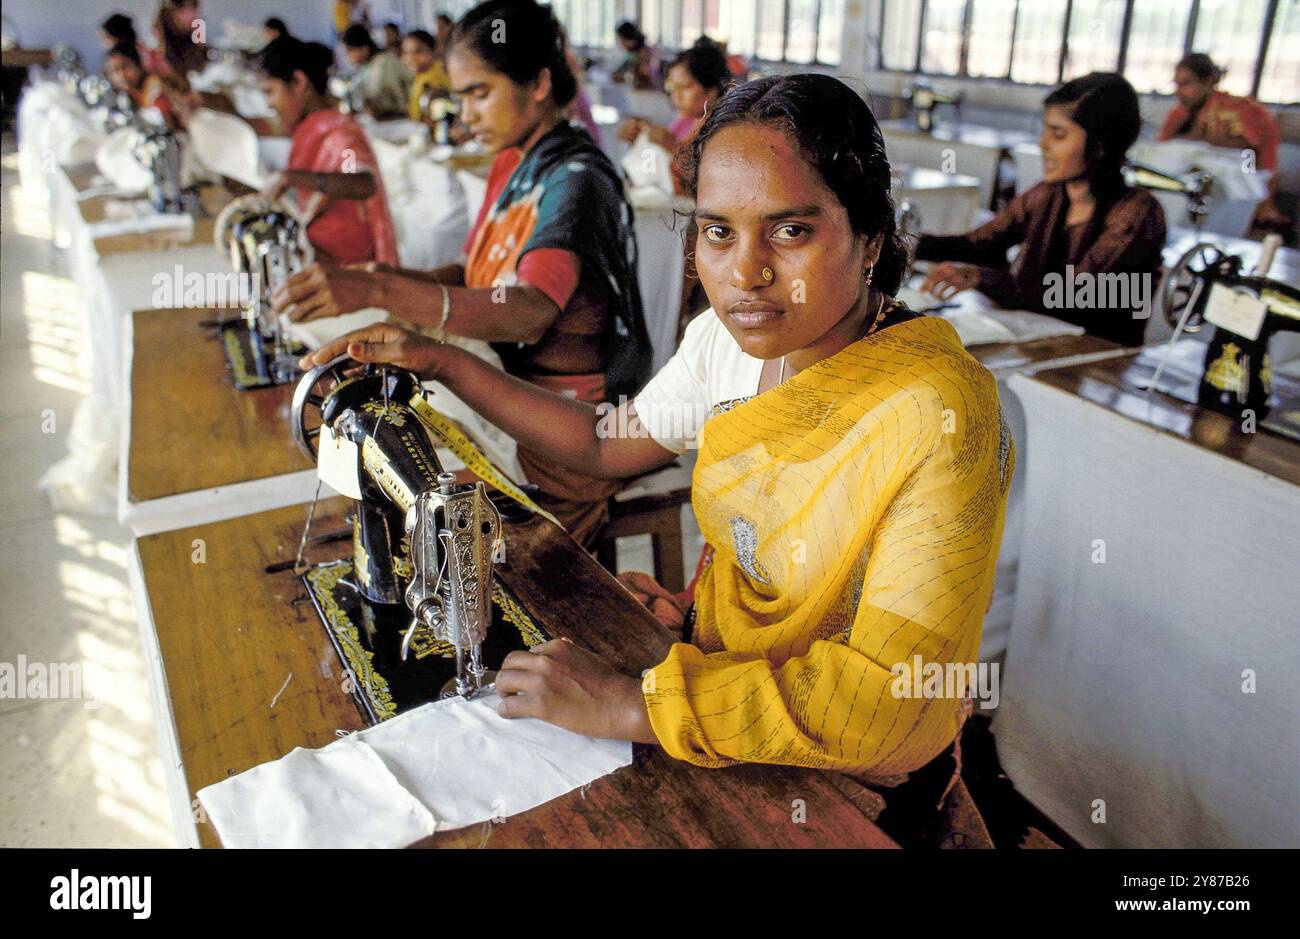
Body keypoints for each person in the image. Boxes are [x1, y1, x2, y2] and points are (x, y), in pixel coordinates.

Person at [297, 74, 1015, 787]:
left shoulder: (939, 415)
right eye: (718, 232)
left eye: (791, 230)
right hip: (720, 693)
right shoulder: (726, 344)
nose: (747, 272)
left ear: (870, 240)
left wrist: (628, 702)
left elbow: (893, 700)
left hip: (852, 781)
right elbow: (605, 443)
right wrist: (444, 361)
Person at [270, 0, 651, 547]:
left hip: (560, 439)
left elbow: (528, 309)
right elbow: (475, 274)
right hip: (503, 404)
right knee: (367, 465)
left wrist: (382, 290)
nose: (466, 114)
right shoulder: (513, 163)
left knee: (407, 518)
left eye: (480, 93)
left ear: (539, 83)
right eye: (461, 97)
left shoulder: (576, 179)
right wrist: (390, 278)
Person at [916, 73, 1165, 348]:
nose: (1043, 144)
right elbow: (979, 243)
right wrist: (903, 242)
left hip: (1100, 357)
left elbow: (1074, 295)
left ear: (1100, 144)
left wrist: (980, 277)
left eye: (1058, 134)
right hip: (1040, 344)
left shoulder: (1136, 213)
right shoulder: (1047, 195)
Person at [257, 36, 398, 266]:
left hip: (352, 269)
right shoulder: (310, 129)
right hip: (324, 258)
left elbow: (361, 181)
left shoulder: (340, 134)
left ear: (298, 82)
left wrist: (289, 178)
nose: (268, 104)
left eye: (269, 92)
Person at [1158, 52, 1287, 229]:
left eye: (1186, 84)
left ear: (1209, 81)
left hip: (1237, 185)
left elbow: (1253, 160)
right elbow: (1163, 148)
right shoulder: (1179, 114)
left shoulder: (1243, 111)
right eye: (1177, 84)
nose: (1179, 91)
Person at [619, 41, 730, 154]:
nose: (676, 95)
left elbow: (706, 169)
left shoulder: (722, 133)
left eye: (684, 87)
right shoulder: (684, 123)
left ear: (712, 91)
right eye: (672, 87)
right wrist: (637, 141)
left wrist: (672, 147)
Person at [341, 23, 411, 119]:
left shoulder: (384, 62)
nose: (348, 56)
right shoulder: (365, 68)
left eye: (350, 50)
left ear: (364, 49)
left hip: (398, 118)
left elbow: (400, 99)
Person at [104, 41, 175, 126]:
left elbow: (170, 123)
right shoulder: (132, 94)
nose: (121, 76)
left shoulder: (156, 89)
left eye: (125, 66)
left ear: (138, 64)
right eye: (114, 71)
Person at [400, 28, 450, 122]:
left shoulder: (436, 78)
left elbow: (436, 121)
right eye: (406, 53)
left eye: (417, 52)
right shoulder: (421, 76)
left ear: (433, 50)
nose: (410, 58)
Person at [612, 20, 658, 90]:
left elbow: (644, 81)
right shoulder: (631, 55)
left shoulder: (645, 54)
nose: (620, 44)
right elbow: (616, 75)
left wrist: (626, 77)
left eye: (620, 40)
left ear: (626, 40)